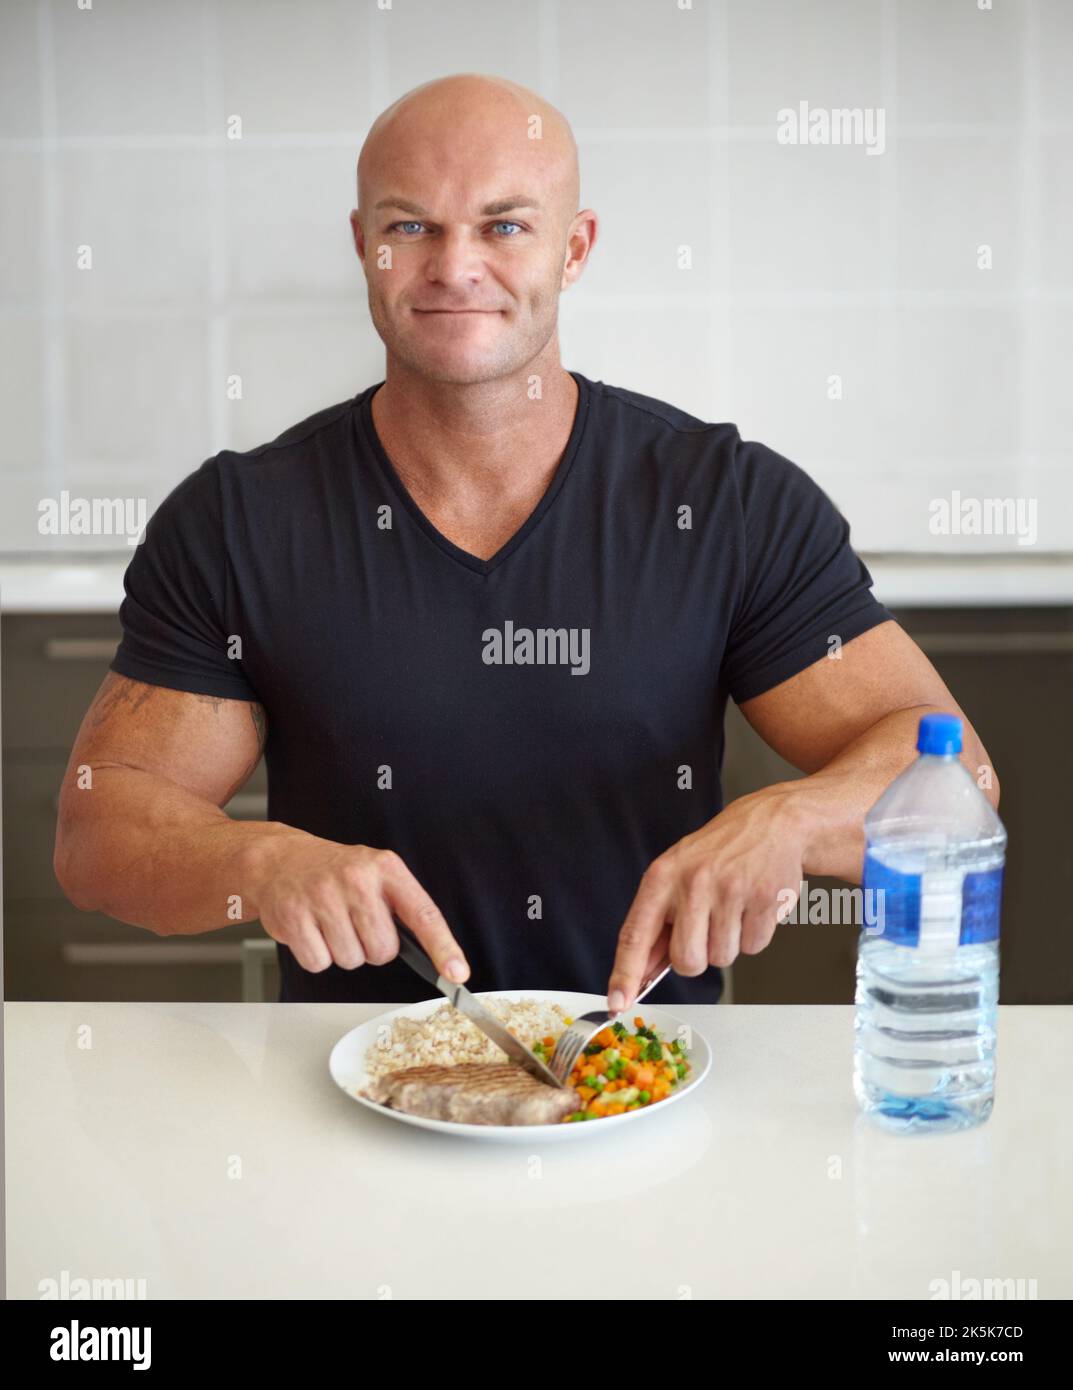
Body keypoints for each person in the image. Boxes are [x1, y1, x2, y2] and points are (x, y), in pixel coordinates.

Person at [54, 73, 999, 1010]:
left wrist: (787, 821)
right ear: (363, 247)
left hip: (642, 1083)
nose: (455, 266)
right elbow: (101, 832)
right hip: (353, 1096)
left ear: (573, 248)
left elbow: (958, 776)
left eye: (504, 225)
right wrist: (259, 860)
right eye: (410, 225)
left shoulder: (725, 503)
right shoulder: (238, 521)